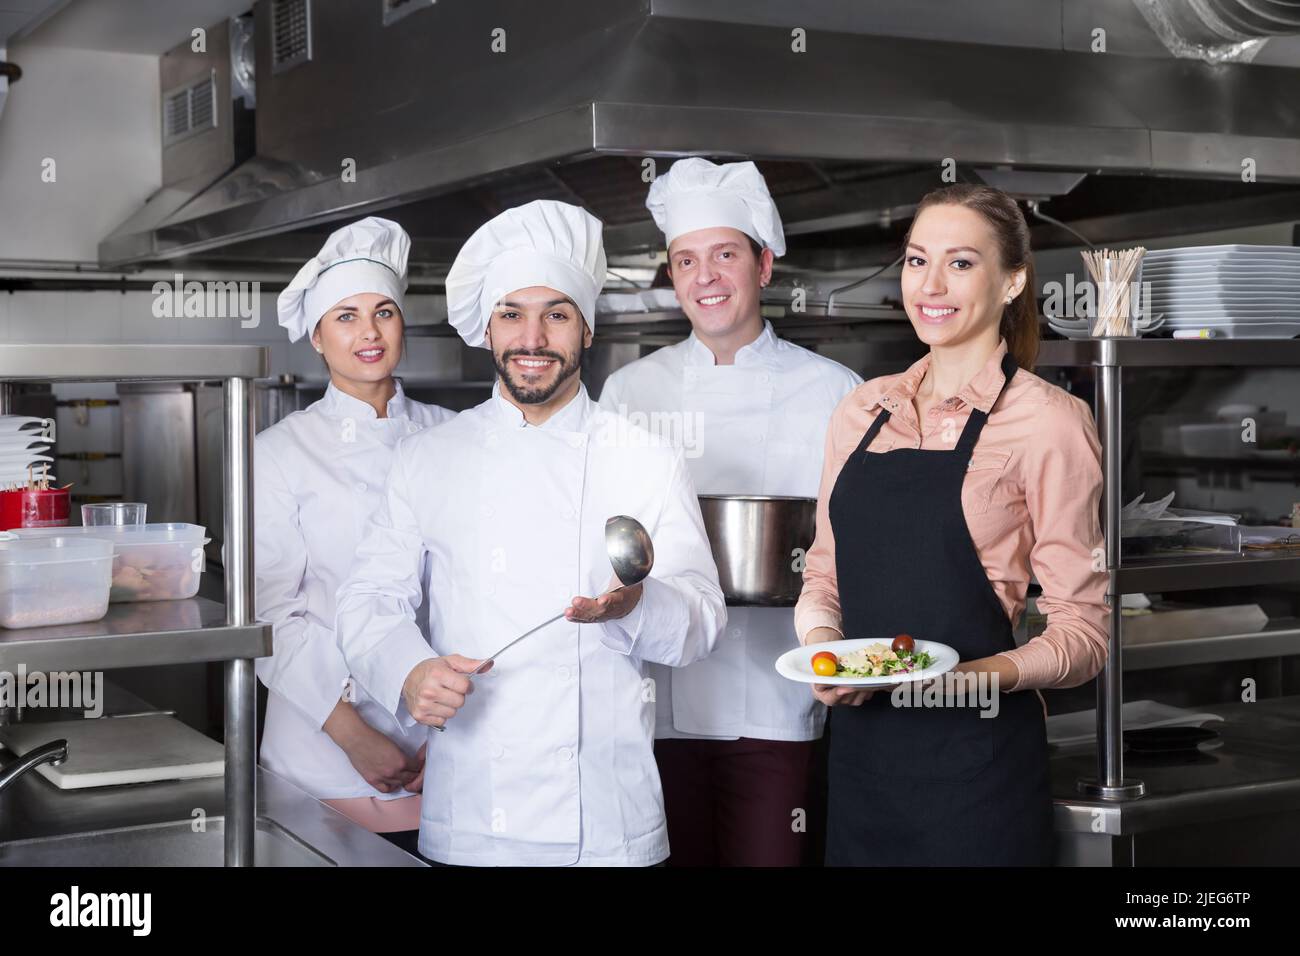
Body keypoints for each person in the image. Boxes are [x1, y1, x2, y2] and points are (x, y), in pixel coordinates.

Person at [335, 199, 726, 866]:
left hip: (606, 825)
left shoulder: (645, 456)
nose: (533, 337)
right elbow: (368, 598)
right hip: (471, 819)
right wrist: (409, 670)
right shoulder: (431, 458)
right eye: (512, 313)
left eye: (557, 314)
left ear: (587, 330)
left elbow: (702, 623)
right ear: (487, 329)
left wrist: (636, 604)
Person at [795, 184, 1108, 866]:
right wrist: (824, 649)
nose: (930, 285)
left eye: (961, 263)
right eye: (915, 261)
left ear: (1012, 280)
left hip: (978, 773)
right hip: (861, 766)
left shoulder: (1050, 421)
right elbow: (823, 572)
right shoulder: (861, 410)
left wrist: (975, 677)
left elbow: (1084, 635)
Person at [598, 158, 861, 866]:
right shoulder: (629, 393)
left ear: (764, 265)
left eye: (724, 255)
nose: (705, 277)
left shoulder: (835, 391)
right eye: (686, 260)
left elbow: (858, 543)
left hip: (778, 699)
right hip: (657, 705)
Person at [255, 217, 455, 853]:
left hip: (448, 744)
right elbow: (267, 614)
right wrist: (351, 731)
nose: (369, 332)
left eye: (384, 312)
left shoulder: (458, 436)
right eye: (346, 316)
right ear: (316, 335)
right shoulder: (278, 453)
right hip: (322, 754)